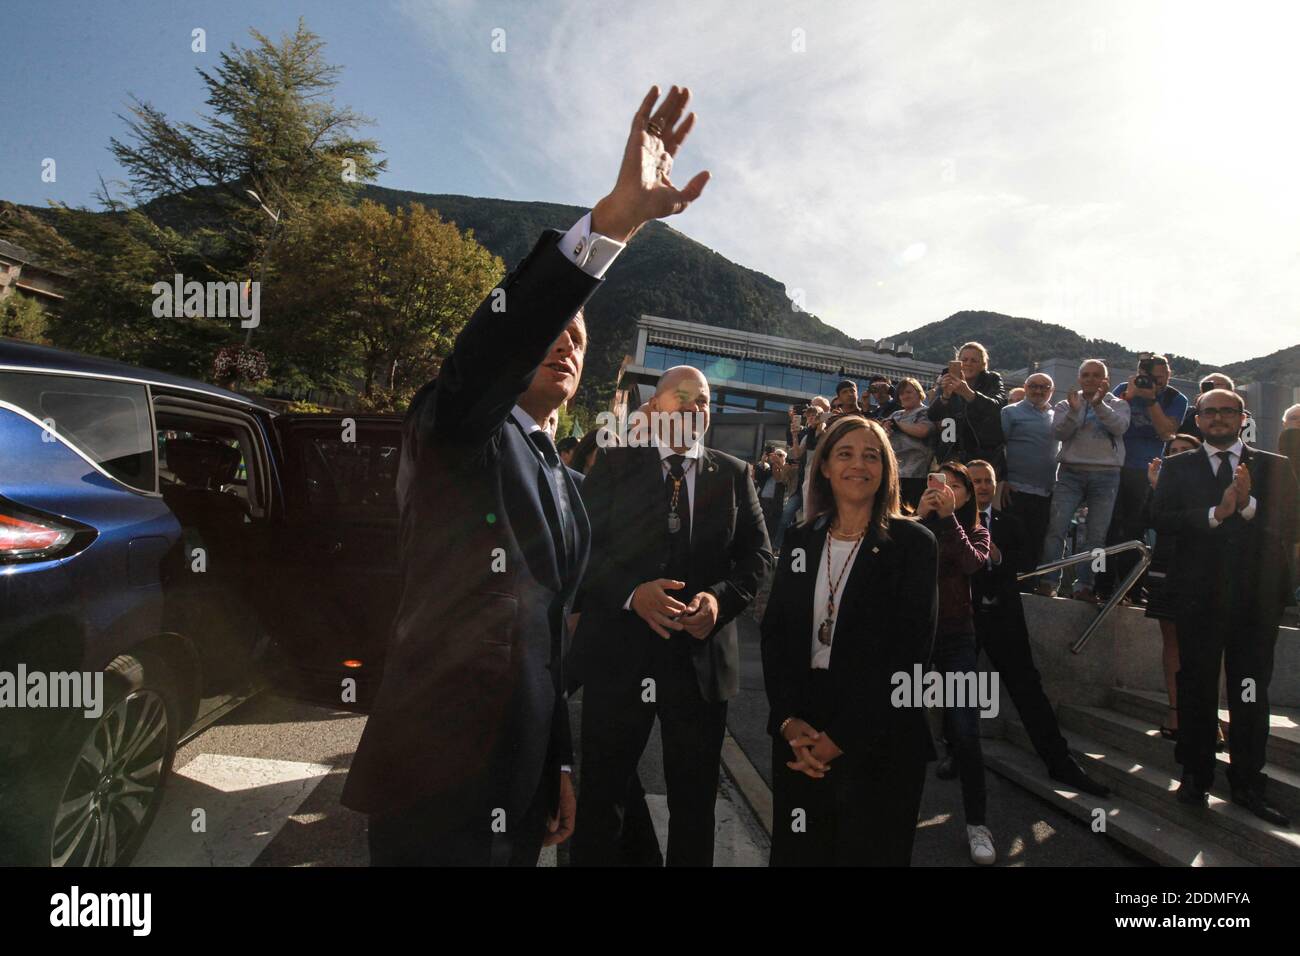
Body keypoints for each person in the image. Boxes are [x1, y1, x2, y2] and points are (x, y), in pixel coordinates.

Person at [341, 84, 711, 865]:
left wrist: (558, 764)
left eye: (579, 337)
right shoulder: (462, 430)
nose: (566, 343)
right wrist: (613, 225)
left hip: (522, 784)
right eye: (552, 329)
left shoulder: (566, 482)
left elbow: (544, 638)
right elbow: (488, 353)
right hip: (434, 780)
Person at [568, 366, 773, 866]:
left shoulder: (734, 474)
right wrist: (631, 593)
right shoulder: (616, 463)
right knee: (602, 795)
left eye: (703, 400)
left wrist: (720, 601)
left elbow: (758, 557)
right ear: (655, 407)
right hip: (620, 657)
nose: (694, 406)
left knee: (695, 803)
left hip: (699, 663)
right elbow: (582, 547)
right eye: (682, 396)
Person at [760, 415, 937, 866]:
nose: (859, 465)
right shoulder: (800, 540)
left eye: (871, 456)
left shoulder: (914, 544)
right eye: (845, 454)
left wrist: (842, 737)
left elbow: (909, 654)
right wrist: (786, 720)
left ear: (886, 470)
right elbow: (776, 635)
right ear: (824, 467)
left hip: (880, 734)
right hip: (802, 730)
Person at [1152, 389, 1298, 826]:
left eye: (1227, 411)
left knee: (1249, 690)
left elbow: (1291, 523)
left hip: (1255, 603)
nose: (1218, 418)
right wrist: (1215, 513)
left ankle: (1248, 783)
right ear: (1197, 419)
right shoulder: (1178, 466)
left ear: (1242, 418)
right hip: (1197, 598)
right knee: (1197, 686)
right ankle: (1195, 776)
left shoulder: (1275, 466)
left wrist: (1248, 506)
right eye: (1209, 412)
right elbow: (1158, 518)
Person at [966, 460, 1109, 796]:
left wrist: (997, 558)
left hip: (1005, 618)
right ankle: (955, 752)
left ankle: (1060, 762)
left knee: (1027, 688)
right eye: (975, 481)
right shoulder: (950, 524)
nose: (982, 487)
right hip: (966, 618)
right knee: (959, 685)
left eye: (987, 480)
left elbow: (1023, 566)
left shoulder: (1011, 523)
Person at [916, 461, 996, 864]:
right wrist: (919, 518)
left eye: (954, 485)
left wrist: (948, 520)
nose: (945, 490)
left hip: (956, 636)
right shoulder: (915, 524)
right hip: (913, 636)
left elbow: (971, 564)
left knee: (966, 731)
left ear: (966, 494)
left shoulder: (975, 530)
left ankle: (977, 824)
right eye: (938, 483)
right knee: (899, 725)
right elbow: (894, 560)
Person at [1141, 433, 1223, 748]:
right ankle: (1175, 711)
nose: (1176, 455)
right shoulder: (1161, 483)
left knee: (1209, 644)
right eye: (1171, 451)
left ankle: (1210, 717)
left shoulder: (1212, 479)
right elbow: (1148, 520)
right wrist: (1155, 488)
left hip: (1205, 567)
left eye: (1184, 451)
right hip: (1167, 564)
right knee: (1172, 640)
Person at [1038, 360, 1130, 602]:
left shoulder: (1118, 404)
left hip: (1107, 475)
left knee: (1097, 536)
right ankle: (1048, 581)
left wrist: (1099, 405)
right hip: (1070, 472)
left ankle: (1086, 585)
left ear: (1105, 380)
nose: (1090, 379)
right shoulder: (1065, 403)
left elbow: (1120, 427)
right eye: (1086, 375)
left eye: (1096, 375)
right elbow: (1058, 433)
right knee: (1056, 528)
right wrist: (1073, 411)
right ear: (1079, 379)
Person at [1101, 354, 1187, 602]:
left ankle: (1132, 589)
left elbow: (1167, 432)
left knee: (1134, 530)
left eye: (1163, 377)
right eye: (1152, 378)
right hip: (1114, 466)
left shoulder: (1175, 398)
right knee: (1104, 530)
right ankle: (1100, 584)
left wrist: (1151, 400)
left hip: (1145, 471)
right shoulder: (1123, 389)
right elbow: (1106, 422)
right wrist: (1129, 395)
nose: (1158, 383)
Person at [999, 372, 1058, 588]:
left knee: (1035, 543)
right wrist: (1003, 479)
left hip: (1045, 492)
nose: (1038, 390)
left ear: (1052, 391)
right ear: (1025, 387)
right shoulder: (1009, 412)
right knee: (1011, 542)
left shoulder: (1057, 416)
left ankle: (1028, 588)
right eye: (1033, 386)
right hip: (1014, 489)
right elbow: (998, 447)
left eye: (1044, 387)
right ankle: (1005, 588)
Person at [926, 341, 1008, 474]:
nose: (968, 363)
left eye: (974, 360)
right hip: (950, 453)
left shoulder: (992, 379)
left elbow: (997, 407)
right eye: (964, 360)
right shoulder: (948, 379)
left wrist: (968, 393)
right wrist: (945, 396)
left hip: (983, 455)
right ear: (958, 362)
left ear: (983, 365)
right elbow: (932, 415)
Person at [777, 397, 830, 552]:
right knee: (806, 513)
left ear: (820, 417)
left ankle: (817, 545)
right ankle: (806, 546)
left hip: (823, 475)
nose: (811, 419)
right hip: (807, 476)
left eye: (814, 416)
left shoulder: (827, 432)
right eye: (809, 417)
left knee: (819, 511)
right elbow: (796, 454)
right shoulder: (808, 435)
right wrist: (794, 435)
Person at [883, 376, 934, 509]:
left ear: (919, 393)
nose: (905, 396)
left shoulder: (926, 412)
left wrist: (898, 425)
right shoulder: (896, 414)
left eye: (909, 392)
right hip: (893, 473)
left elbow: (923, 430)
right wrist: (885, 429)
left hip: (915, 475)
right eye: (901, 393)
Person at [754, 447, 788, 543]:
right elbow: (758, 476)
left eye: (780, 455)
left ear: (785, 458)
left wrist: (778, 464)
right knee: (760, 524)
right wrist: (763, 461)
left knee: (772, 527)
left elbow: (780, 478)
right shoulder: (768, 468)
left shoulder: (787, 469)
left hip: (776, 503)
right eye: (775, 454)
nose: (777, 456)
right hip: (763, 500)